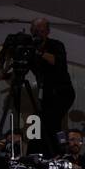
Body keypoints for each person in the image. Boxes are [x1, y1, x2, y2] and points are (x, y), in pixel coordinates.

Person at [27, 18, 75, 146]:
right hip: (46, 94)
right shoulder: (31, 50)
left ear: (47, 32)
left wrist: (40, 51)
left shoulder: (56, 45)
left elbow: (57, 62)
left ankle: (60, 147)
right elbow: (26, 67)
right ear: (31, 31)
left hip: (62, 92)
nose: (38, 34)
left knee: (54, 121)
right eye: (35, 31)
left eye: (41, 31)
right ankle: (48, 147)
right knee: (47, 122)